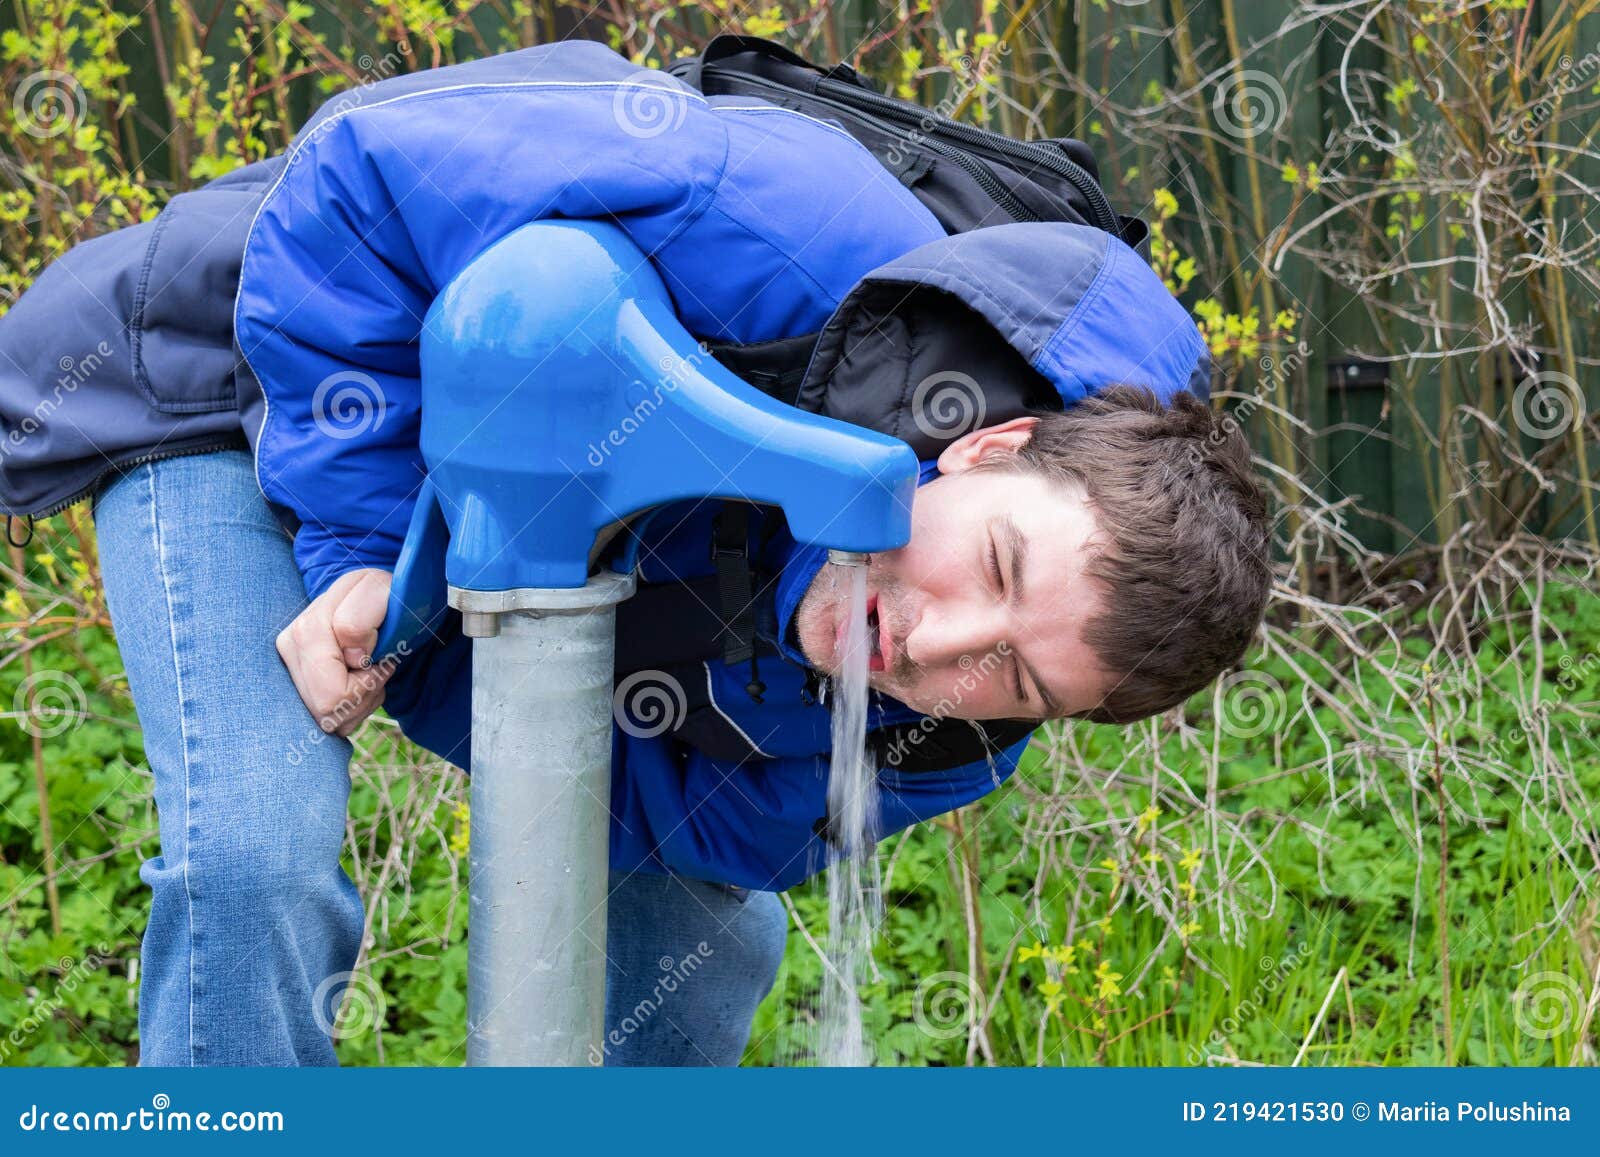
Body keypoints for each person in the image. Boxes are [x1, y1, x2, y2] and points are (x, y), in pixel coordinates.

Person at [0, 38, 1269, 1067]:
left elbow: (651, 820)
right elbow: (363, 172)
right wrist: (370, 546)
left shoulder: (938, 737)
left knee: (706, 937)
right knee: (253, 862)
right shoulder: (781, 230)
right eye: (992, 569)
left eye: (1018, 678)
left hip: (483, 530)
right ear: (987, 449)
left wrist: (446, 621)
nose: (933, 644)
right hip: (249, 371)